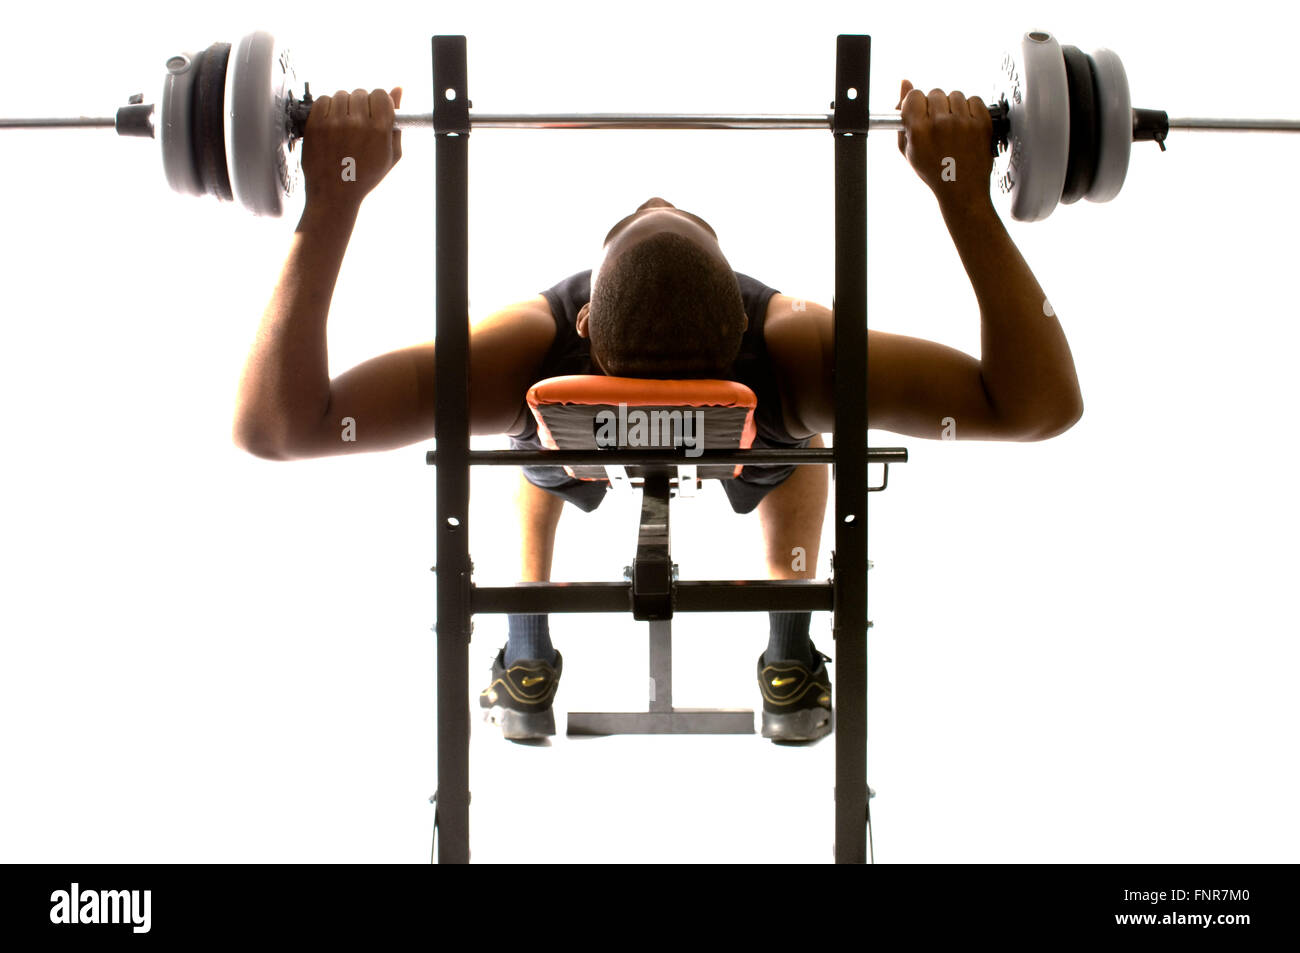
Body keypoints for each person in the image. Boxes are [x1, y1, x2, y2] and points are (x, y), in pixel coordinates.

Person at [232, 81, 1084, 744]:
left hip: (567, 417)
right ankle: (789, 660)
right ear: (741, 312)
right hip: (755, 415)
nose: (658, 197)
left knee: (529, 444)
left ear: (585, 320)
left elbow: (276, 426)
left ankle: (526, 658)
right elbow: (1040, 405)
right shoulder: (791, 345)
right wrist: (962, 197)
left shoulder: (525, 346)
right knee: (802, 436)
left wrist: (332, 200)